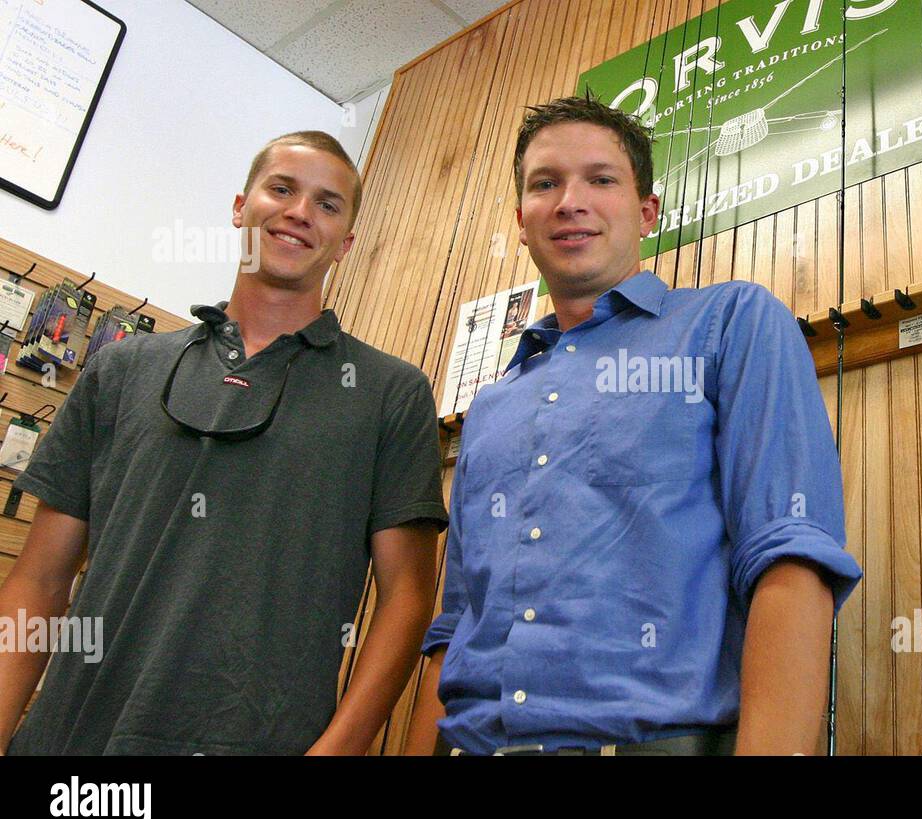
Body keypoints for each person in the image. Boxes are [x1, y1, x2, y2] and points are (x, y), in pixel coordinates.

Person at [406, 96, 861, 756]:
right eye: (545, 184)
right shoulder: (491, 408)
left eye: (600, 178)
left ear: (646, 211)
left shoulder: (732, 322)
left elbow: (790, 558)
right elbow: (454, 626)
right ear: (522, 221)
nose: (570, 201)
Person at [0, 131, 448, 755]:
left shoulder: (389, 395)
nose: (298, 212)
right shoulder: (121, 370)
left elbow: (407, 600)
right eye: (282, 189)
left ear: (346, 242)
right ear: (242, 207)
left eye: (327, 204)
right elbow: (39, 580)